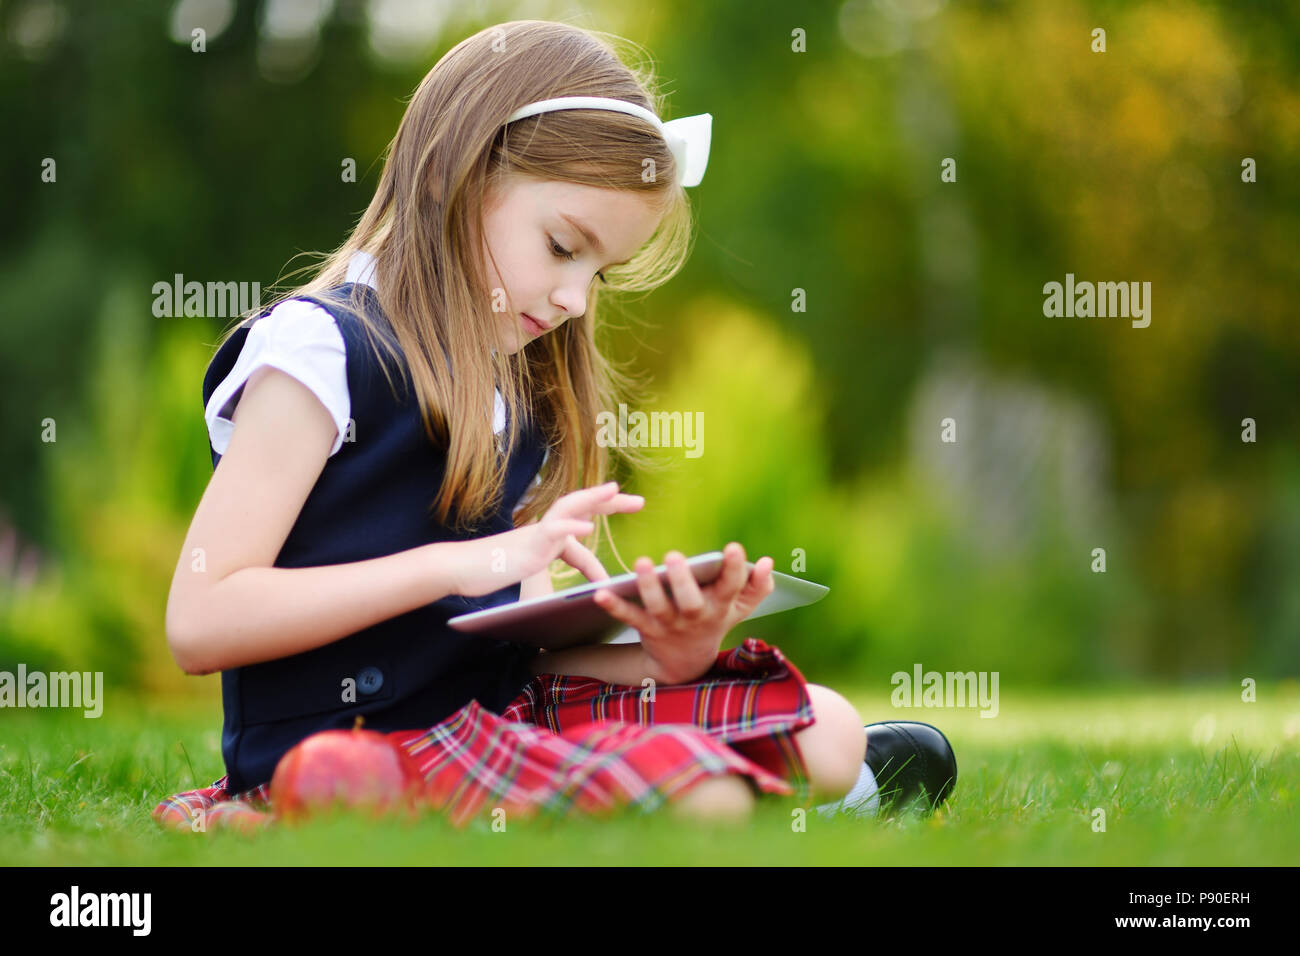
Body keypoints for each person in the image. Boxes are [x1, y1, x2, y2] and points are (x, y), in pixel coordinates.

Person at [155, 19, 955, 833]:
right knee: (705, 795)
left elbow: (520, 653)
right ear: (450, 178)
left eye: (597, 271)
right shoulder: (324, 349)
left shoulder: (518, 391)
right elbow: (202, 620)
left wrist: (669, 651)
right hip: (365, 740)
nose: (576, 298)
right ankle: (288, 809)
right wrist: (452, 566)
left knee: (830, 726)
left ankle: (785, 789)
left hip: (499, 721)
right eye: (562, 245)